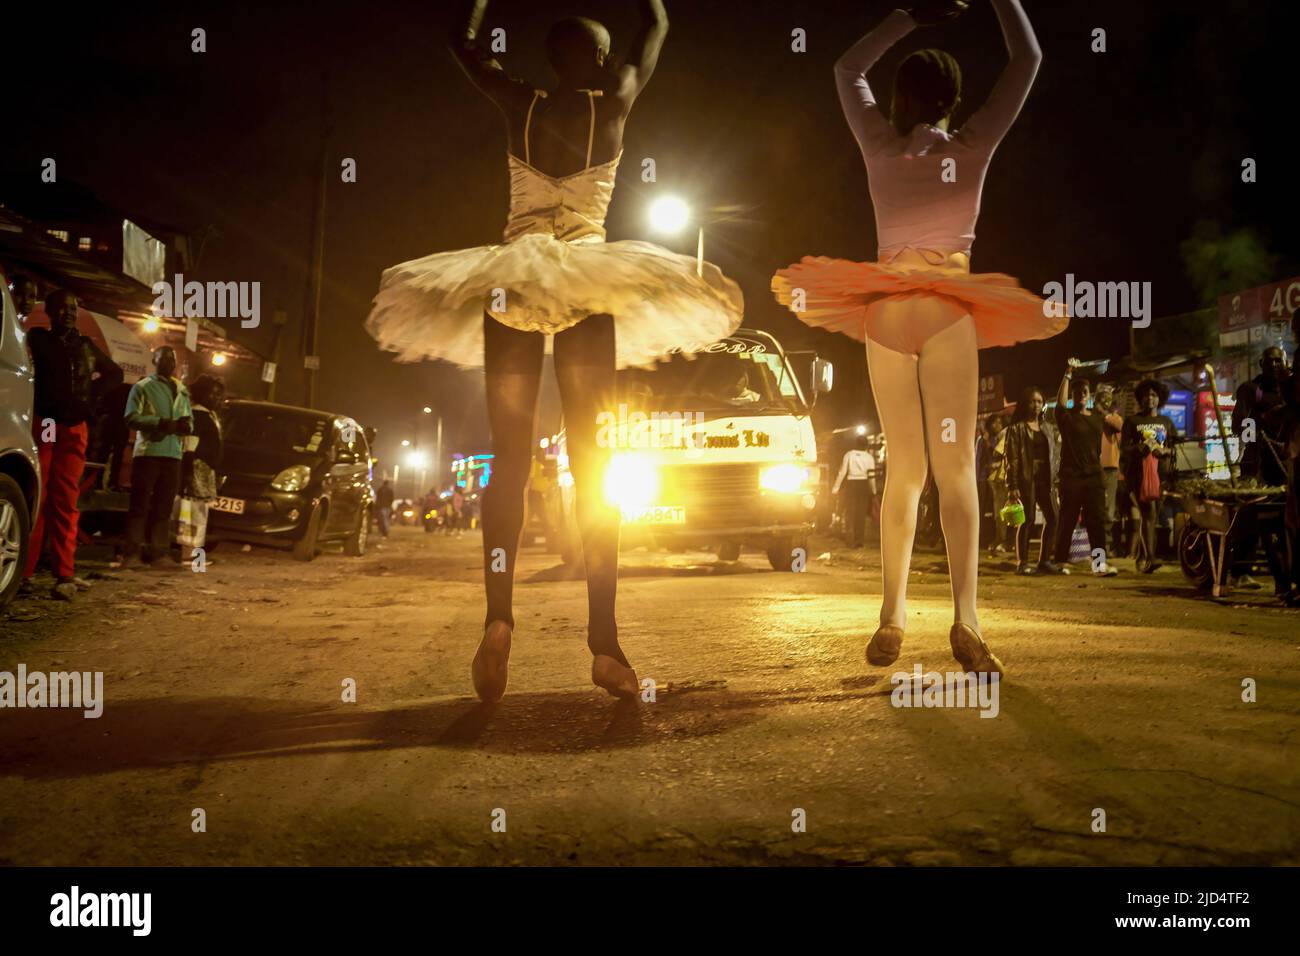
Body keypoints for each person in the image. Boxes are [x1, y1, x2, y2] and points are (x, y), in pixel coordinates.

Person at [365, 0, 744, 702]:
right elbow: (657, 28)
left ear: (550, 59)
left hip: (513, 277)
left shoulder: (520, 102)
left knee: (508, 457)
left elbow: (461, 40)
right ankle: (604, 644)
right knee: (593, 457)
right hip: (589, 282)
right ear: (599, 62)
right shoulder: (618, 100)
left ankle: (498, 617)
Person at [771, 0, 1065, 678]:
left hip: (886, 314)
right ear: (955, 100)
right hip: (945, 310)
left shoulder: (877, 144)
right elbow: (1028, 59)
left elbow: (846, 67)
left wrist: (909, 15)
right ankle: (967, 620)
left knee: (905, 470)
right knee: (956, 469)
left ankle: (892, 616)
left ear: (900, 97)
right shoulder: (972, 146)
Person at [22, 289, 122, 600]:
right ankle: (23, 573)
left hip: (73, 428)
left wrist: (90, 404)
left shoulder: (86, 345)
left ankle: (64, 573)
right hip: (49, 424)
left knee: (65, 499)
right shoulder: (37, 340)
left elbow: (115, 374)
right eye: (62, 308)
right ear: (50, 312)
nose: (67, 312)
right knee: (38, 497)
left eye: (72, 308)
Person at [122, 346, 193, 567]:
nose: (169, 361)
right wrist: (160, 423)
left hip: (173, 454)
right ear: (154, 360)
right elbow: (131, 418)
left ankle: (159, 552)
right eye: (164, 357)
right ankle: (131, 553)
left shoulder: (181, 389)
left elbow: (189, 419)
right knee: (140, 504)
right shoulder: (143, 387)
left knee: (163, 507)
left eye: (173, 358)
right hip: (149, 453)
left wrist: (185, 425)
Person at [1051, 361, 1117, 576]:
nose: (1081, 394)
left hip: (1093, 478)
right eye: (1077, 391)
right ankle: (1060, 561)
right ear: (1073, 395)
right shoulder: (1067, 418)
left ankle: (1099, 565)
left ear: (1089, 395)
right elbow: (1060, 405)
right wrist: (1067, 373)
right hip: (1071, 477)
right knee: (1067, 520)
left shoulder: (1098, 418)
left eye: (1085, 391)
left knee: (1096, 522)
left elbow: (1117, 423)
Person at [1121, 379, 1178, 574]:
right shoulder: (1132, 422)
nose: (1150, 398)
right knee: (1149, 514)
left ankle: (1142, 556)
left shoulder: (1166, 423)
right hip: (1138, 476)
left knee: (1151, 517)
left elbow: (1176, 447)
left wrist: (1166, 452)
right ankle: (1151, 558)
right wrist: (1140, 448)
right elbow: (1124, 449)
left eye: (1154, 395)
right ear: (1140, 398)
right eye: (1146, 395)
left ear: (1159, 398)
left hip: (1161, 476)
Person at [1003, 387, 1058, 576]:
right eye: (1032, 401)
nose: (1036, 405)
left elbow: (1053, 456)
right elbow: (1012, 459)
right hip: (1026, 478)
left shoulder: (1047, 428)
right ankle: (1022, 562)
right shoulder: (1017, 428)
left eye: (1039, 401)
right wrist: (1012, 486)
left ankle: (1044, 561)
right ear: (1026, 404)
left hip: (1045, 478)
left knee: (1052, 518)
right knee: (1027, 520)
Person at [180, 375, 225, 556]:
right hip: (198, 470)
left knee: (198, 514)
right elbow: (190, 446)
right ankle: (190, 556)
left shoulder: (208, 415)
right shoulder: (198, 416)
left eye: (218, 395)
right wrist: (189, 472)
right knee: (193, 514)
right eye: (212, 394)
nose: (216, 398)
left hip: (205, 472)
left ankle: (192, 555)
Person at [1094, 383, 1125, 555]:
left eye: (1107, 397)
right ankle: (1095, 547)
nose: (1105, 401)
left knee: (1108, 509)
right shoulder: (1090, 416)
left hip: (1110, 469)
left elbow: (1119, 427)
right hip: (1091, 467)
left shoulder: (1113, 417)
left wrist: (1104, 414)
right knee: (1095, 508)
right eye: (1102, 397)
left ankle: (1103, 547)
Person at [833, 434, 876, 548]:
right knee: (861, 514)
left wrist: (836, 487)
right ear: (866, 445)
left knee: (850, 512)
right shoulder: (869, 457)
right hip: (863, 485)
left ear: (856, 443)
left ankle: (850, 539)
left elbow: (842, 472)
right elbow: (871, 476)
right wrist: (874, 491)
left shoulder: (849, 455)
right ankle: (859, 541)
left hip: (851, 484)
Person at [986, 414, 1009, 553]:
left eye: (992, 424)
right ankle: (1000, 539)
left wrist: (990, 446)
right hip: (1000, 480)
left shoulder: (1005, 433)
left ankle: (1003, 540)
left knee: (1001, 512)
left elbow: (997, 454)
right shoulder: (1003, 435)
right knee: (999, 512)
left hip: (1002, 480)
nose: (991, 428)